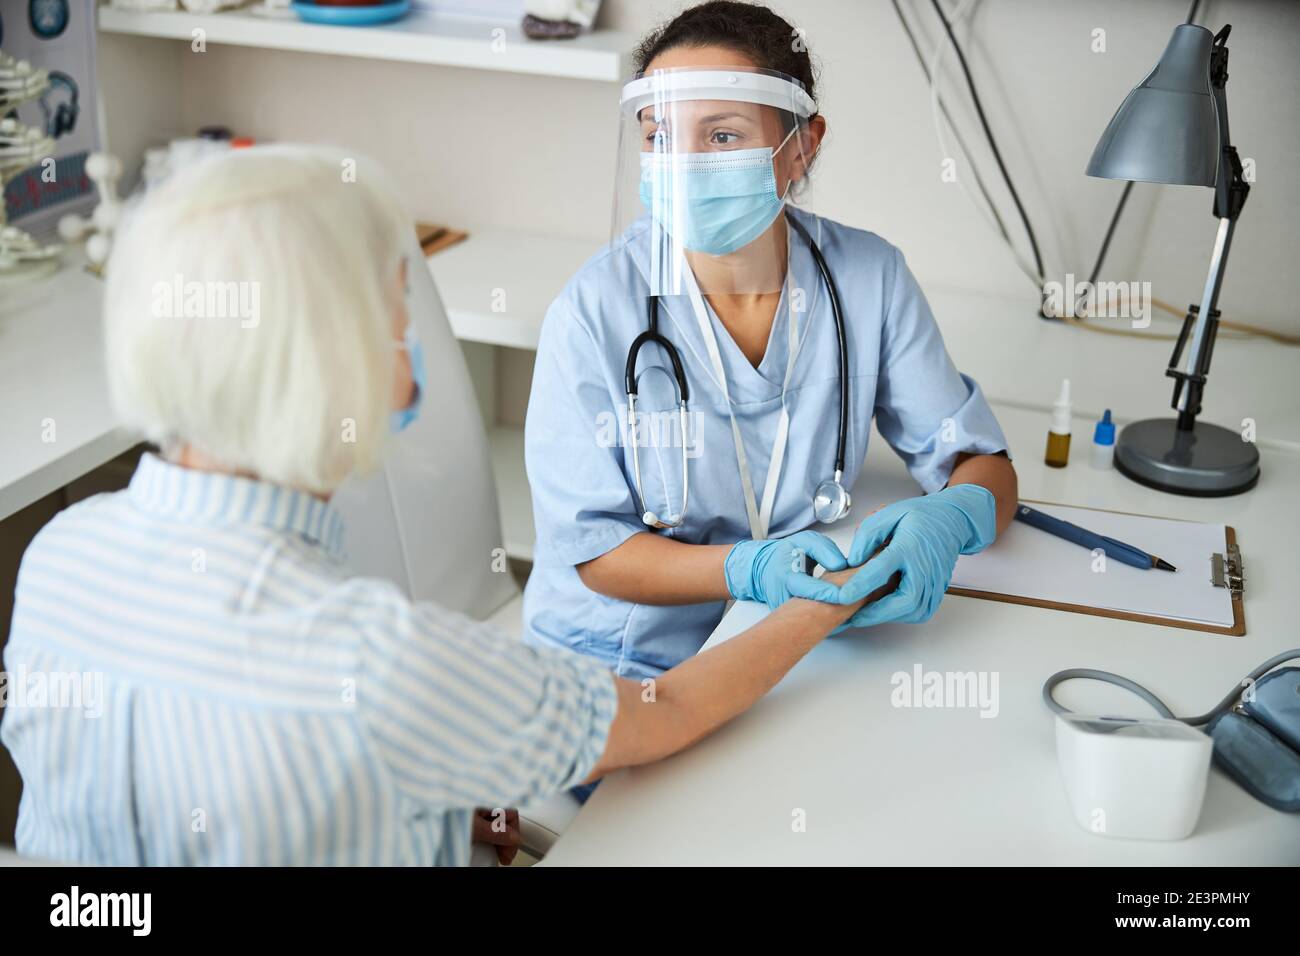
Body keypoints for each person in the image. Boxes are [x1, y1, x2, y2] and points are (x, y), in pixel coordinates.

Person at [0, 145, 885, 866]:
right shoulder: (383, 664)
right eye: (395, 324)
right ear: (329, 362)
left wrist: (418, 797)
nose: (409, 359)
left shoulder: (58, 559)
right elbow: (671, 714)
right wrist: (828, 593)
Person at [523, 1, 1018, 682]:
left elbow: (983, 467)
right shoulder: (593, 312)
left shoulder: (868, 278)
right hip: (622, 664)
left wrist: (952, 518)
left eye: (721, 136)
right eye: (659, 136)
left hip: (781, 640)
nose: (684, 164)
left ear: (802, 146)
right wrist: (747, 567)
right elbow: (597, 552)